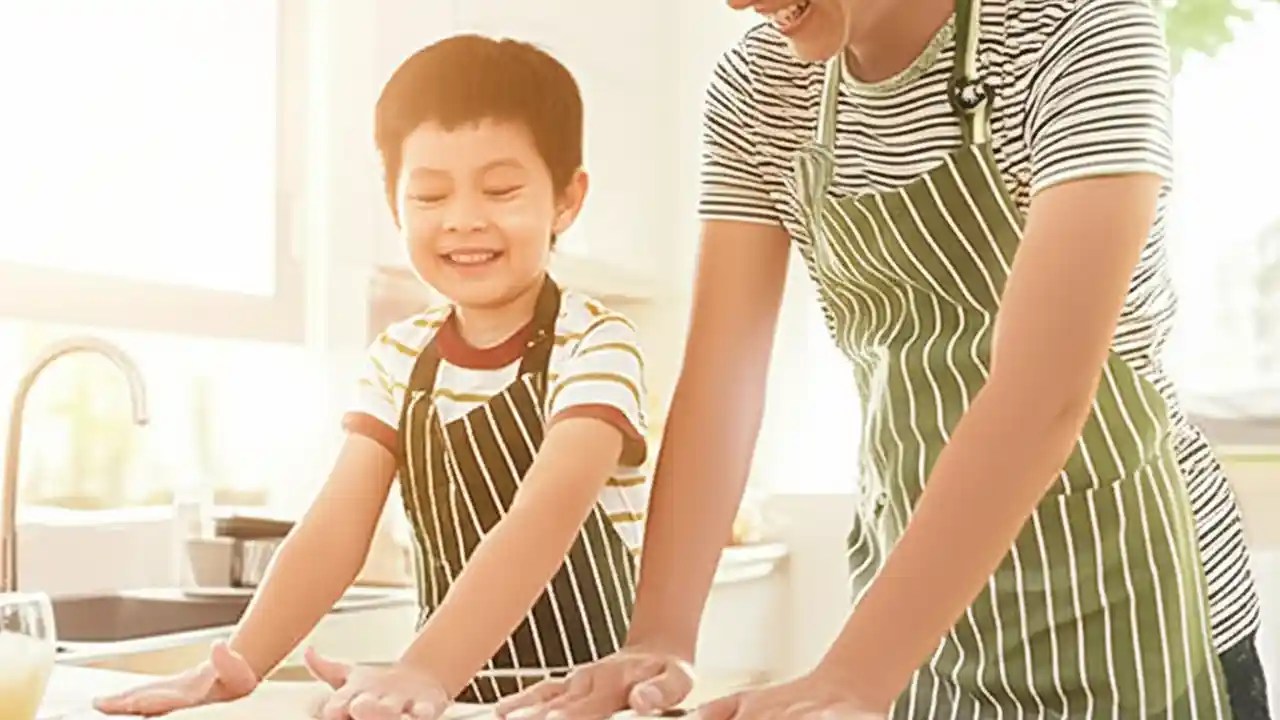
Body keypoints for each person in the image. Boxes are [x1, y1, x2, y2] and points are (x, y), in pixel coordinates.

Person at [496, 0, 1273, 718]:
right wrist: (659, 637)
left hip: (1138, 614)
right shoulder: (760, 86)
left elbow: (1043, 396)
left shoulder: (1076, 30)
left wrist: (854, 676)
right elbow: (722, 380)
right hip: (920, 637)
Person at [94, 35, 652, 719]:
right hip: (449, 703)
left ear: (567, 200)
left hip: (589, 702)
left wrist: (421, 668)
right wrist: (239, 664)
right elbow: (336, 527)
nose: (464, 219)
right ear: (394, 207)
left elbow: (547, 514)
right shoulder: (399, 356)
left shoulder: (596, 343)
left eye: (502, 190)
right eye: (429, 195)